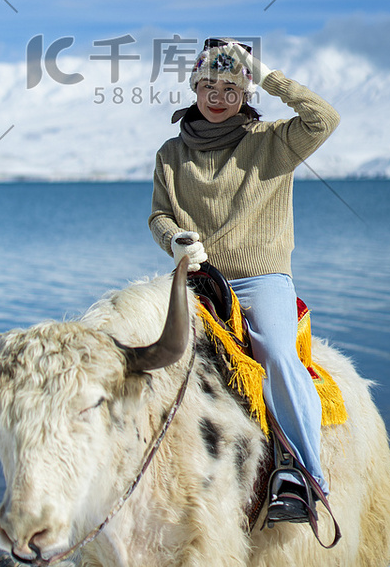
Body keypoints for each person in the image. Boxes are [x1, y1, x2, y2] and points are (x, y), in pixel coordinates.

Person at [149, 38, 340, 523]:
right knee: (151, 360)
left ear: (246, 92)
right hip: (197, 281)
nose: (217, 96)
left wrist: (267, 71)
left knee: (276, 353)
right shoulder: (171, 153)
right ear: (194, 87)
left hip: (261, 280)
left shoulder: (272, 141)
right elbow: (158, 215)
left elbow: (325, 118)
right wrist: (175, 242)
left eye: (231, 87)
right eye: (208, 84)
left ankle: (304, 476)